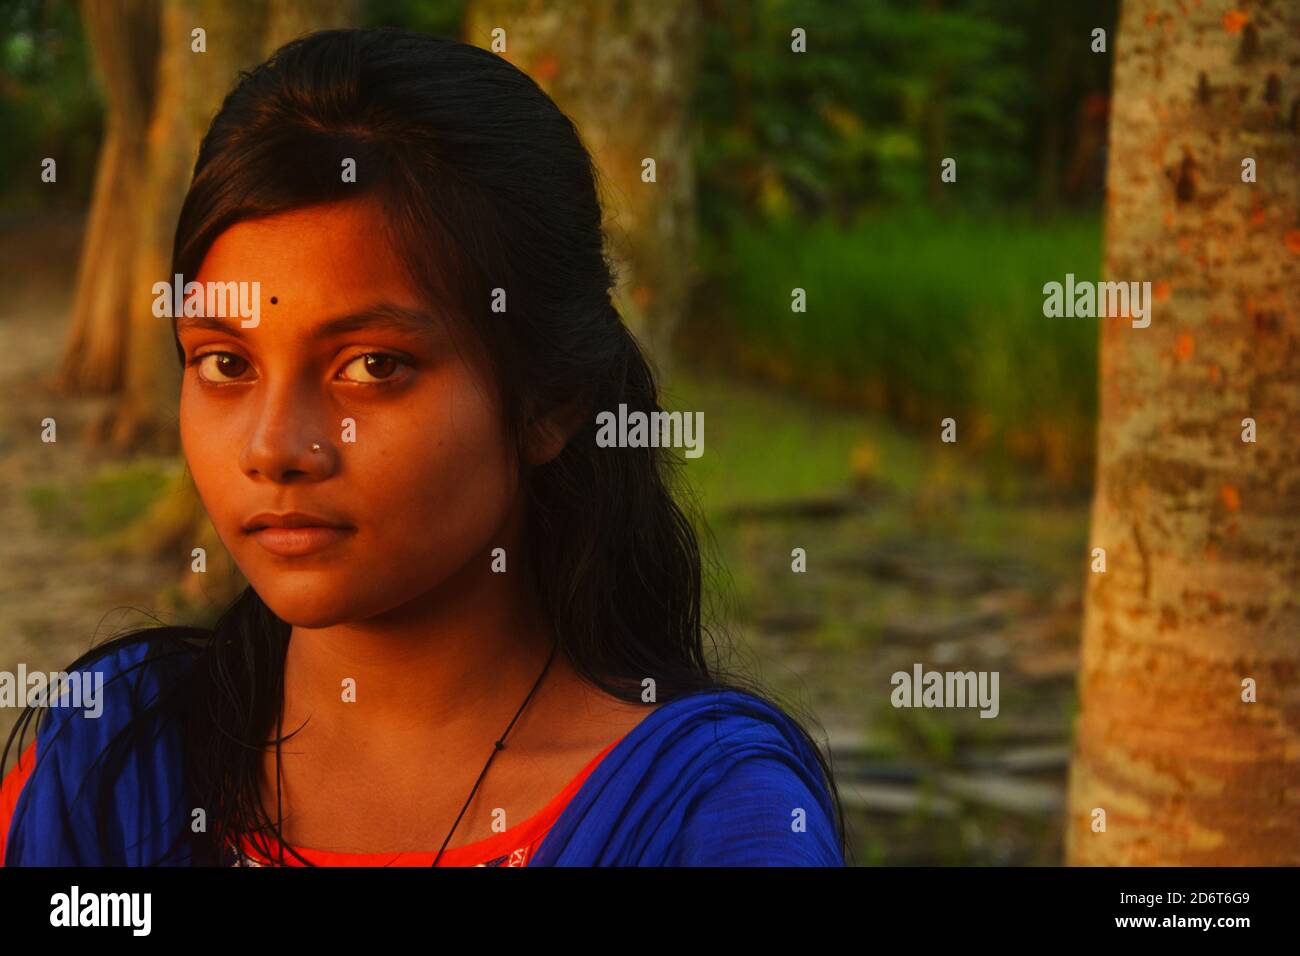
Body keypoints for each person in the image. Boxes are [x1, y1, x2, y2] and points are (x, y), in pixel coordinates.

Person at [0, 27, 846, 867]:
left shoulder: (709, 822)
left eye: (371, 366)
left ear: (549, 401)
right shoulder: (112, 764)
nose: (275, 447)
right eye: (225, 363)